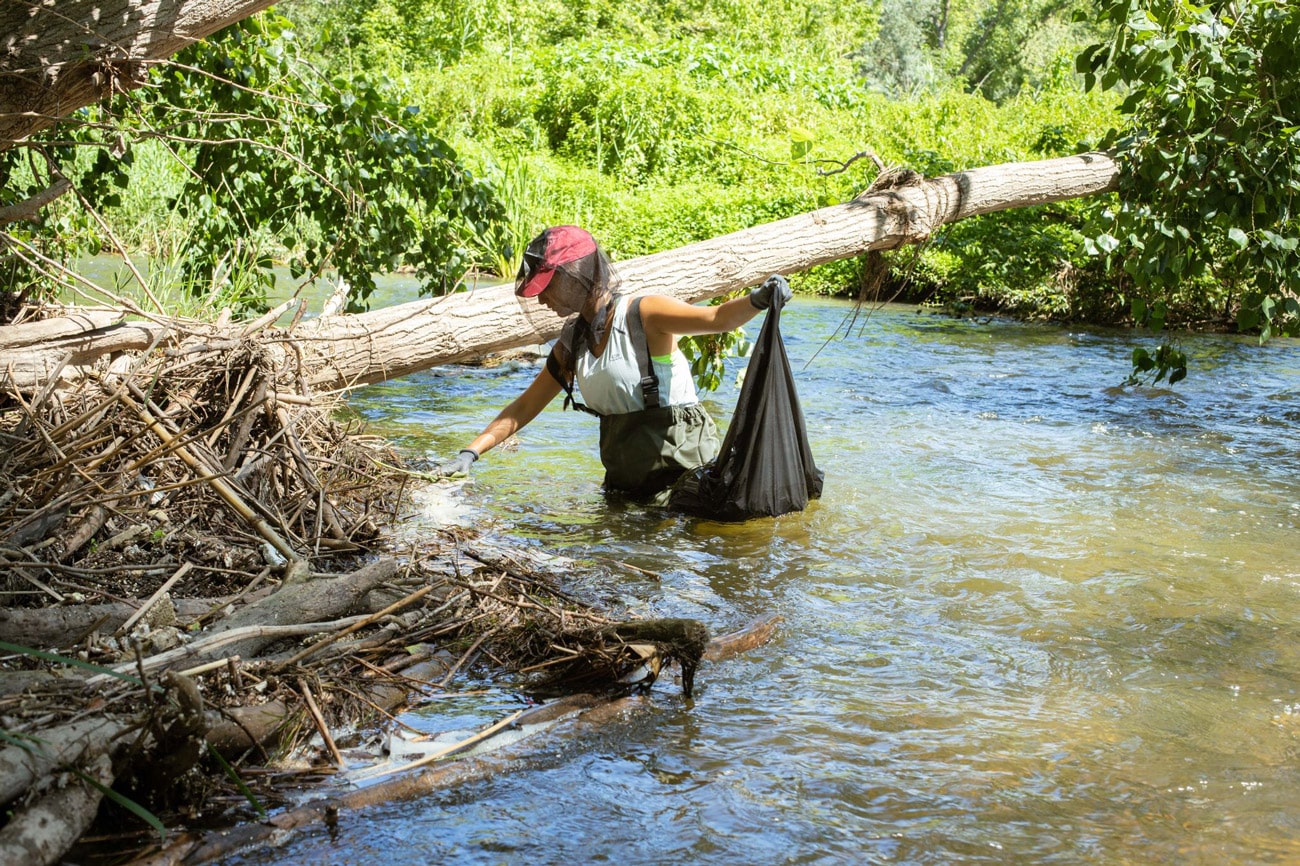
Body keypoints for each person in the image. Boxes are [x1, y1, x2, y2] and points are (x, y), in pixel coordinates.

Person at [434, 225, 791, 503]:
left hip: (685, 478)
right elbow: (525, 406)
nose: (542, 297)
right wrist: (470, 453)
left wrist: (758, 299)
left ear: (577, 276)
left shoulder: (644, 313)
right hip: (626, 483)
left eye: (549, 285)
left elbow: (715, 319)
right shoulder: (574, 339)